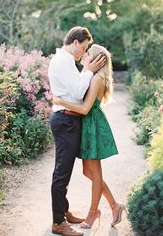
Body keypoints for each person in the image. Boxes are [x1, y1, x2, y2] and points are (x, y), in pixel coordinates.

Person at [53, 44, 126, 230]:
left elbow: (85, 108)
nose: (84, 55)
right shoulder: (92, 76)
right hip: (87, 125)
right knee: (89, 172)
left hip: (92, 125)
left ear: (96, 60)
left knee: (95, 171)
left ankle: (94, 213)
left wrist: (60, 101)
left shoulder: (97, 79)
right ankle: (114, 205)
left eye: (88, 54)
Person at [48, 27, 106, 236]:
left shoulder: (65, 61)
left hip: (67, 119)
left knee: (64, 170)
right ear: (75, 43)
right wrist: (89, 70)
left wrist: (85, 70)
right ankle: (58, 222)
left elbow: (75, 90)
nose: (84, 53)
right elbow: (80, 91)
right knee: (61, 172)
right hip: (66, 120)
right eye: (83, 47)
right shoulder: (63, 61)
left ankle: (64, 211)